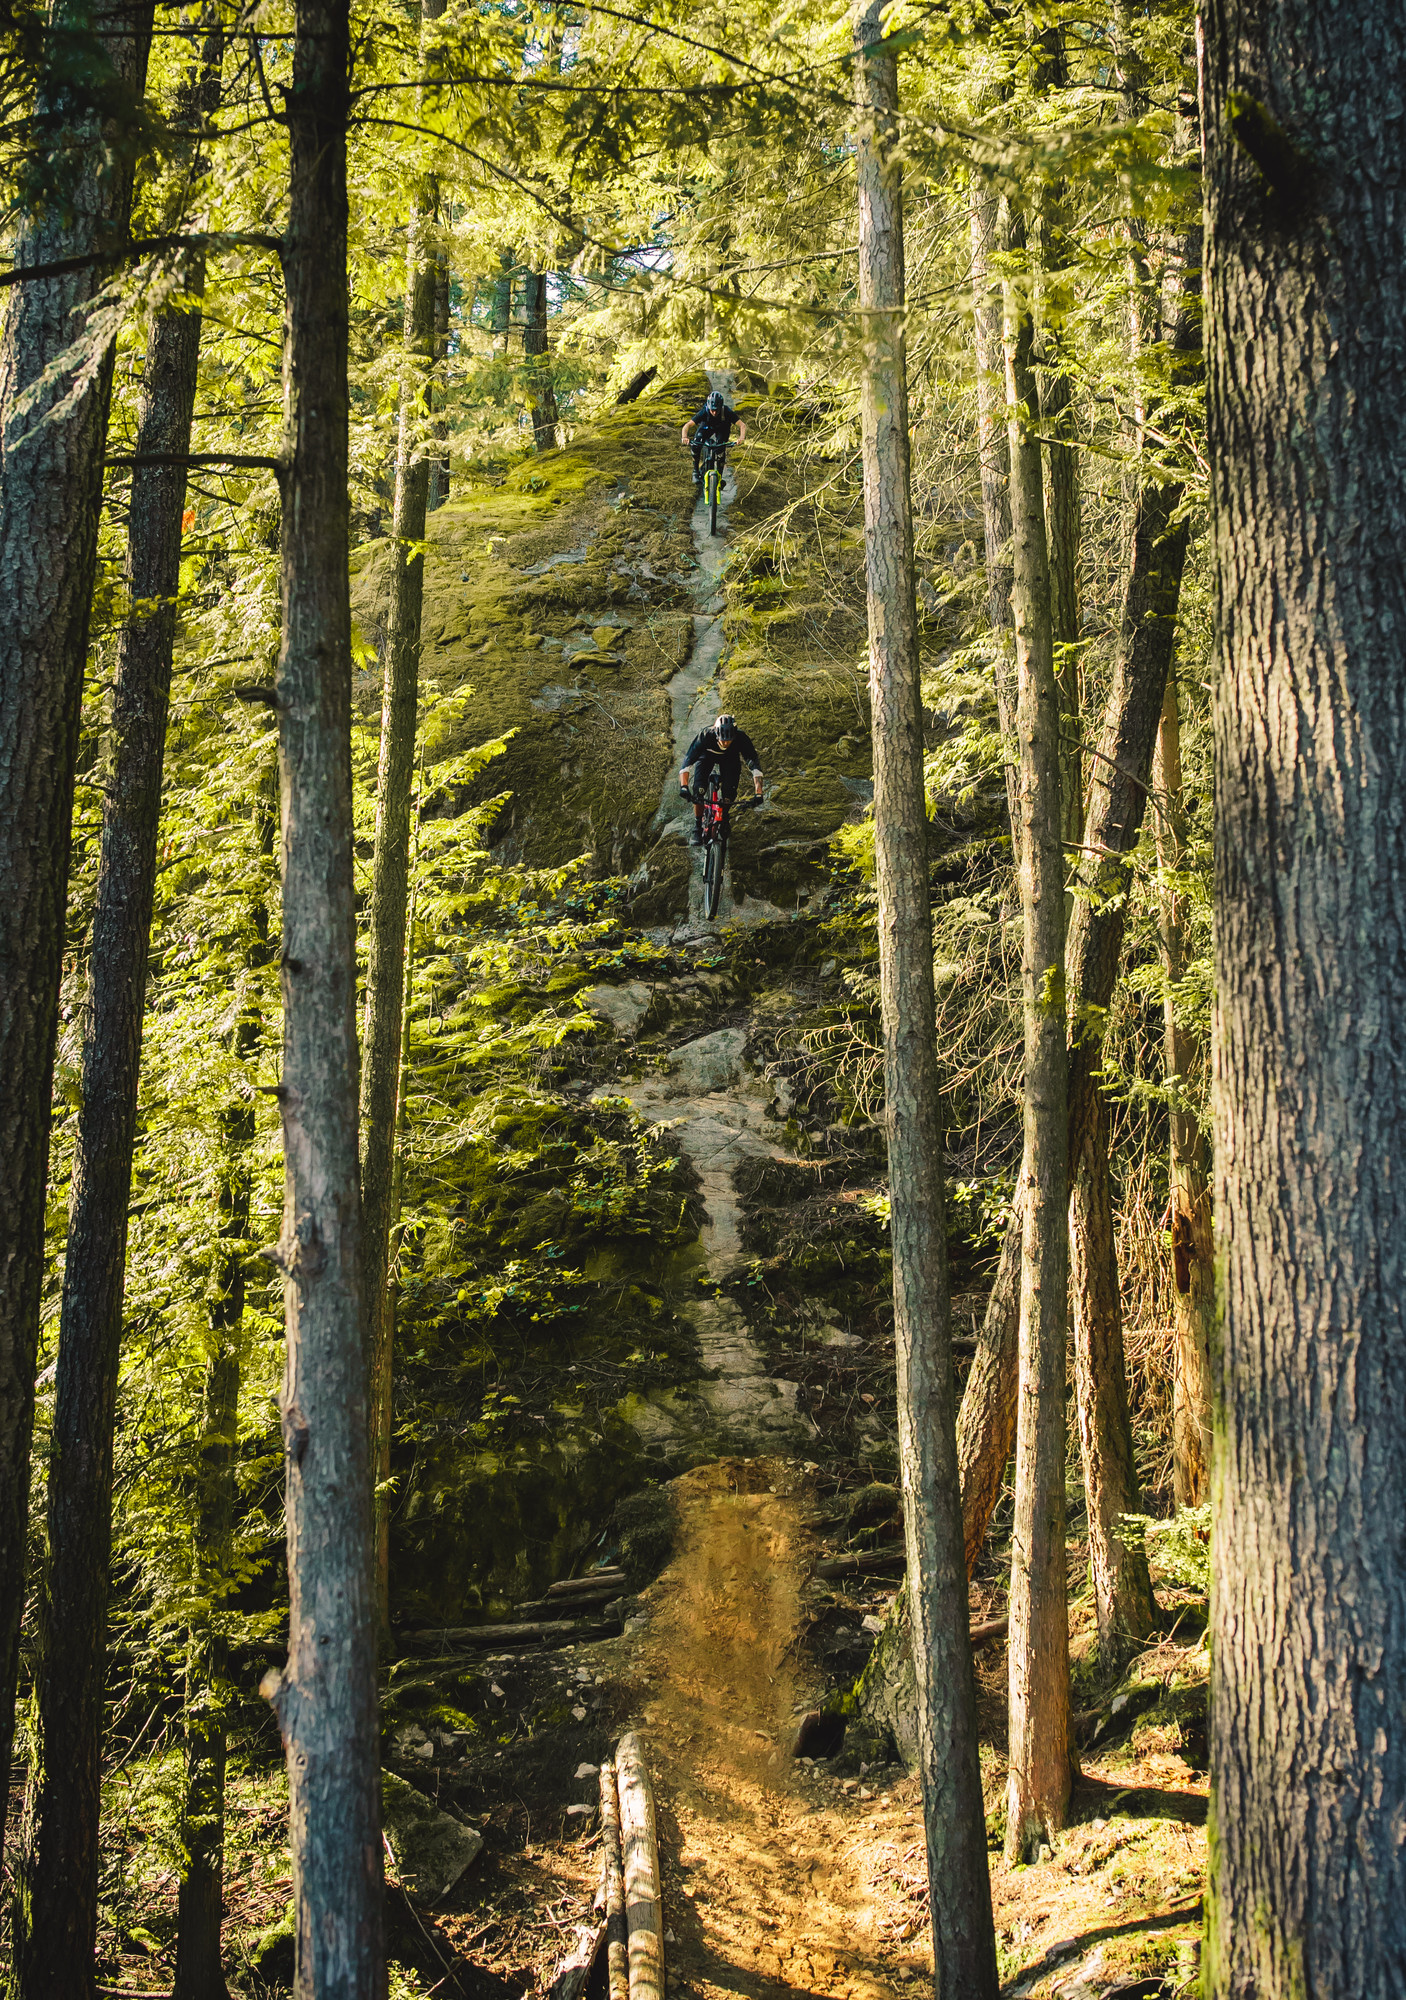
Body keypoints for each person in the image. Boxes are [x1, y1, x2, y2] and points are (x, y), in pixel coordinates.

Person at [680, 712, 763, 846]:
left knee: (729, 793)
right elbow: (687, 763)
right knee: (699, 791)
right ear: (716, 734)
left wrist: (758, 793)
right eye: (723, 740)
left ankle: (724, 817)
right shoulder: (705, 736)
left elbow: (755, 766)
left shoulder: (741, 738)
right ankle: (697, 826)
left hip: (730, 759)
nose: (725, 743)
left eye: (729, 740)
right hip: (706, 757)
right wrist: (684, 786)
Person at [681, 388, 747, 489]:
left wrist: (741, 438)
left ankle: (719, 477)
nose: (715, 413)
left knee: (721, 449)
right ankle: (695, 471)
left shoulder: (727, 411)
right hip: (706, 427)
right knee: (696, 444)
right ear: (708, 406)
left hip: (722, 429)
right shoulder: (704, 411)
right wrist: (684, 437)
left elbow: (742, 425)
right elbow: (687, 425)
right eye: (712, 410)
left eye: (717, 410)